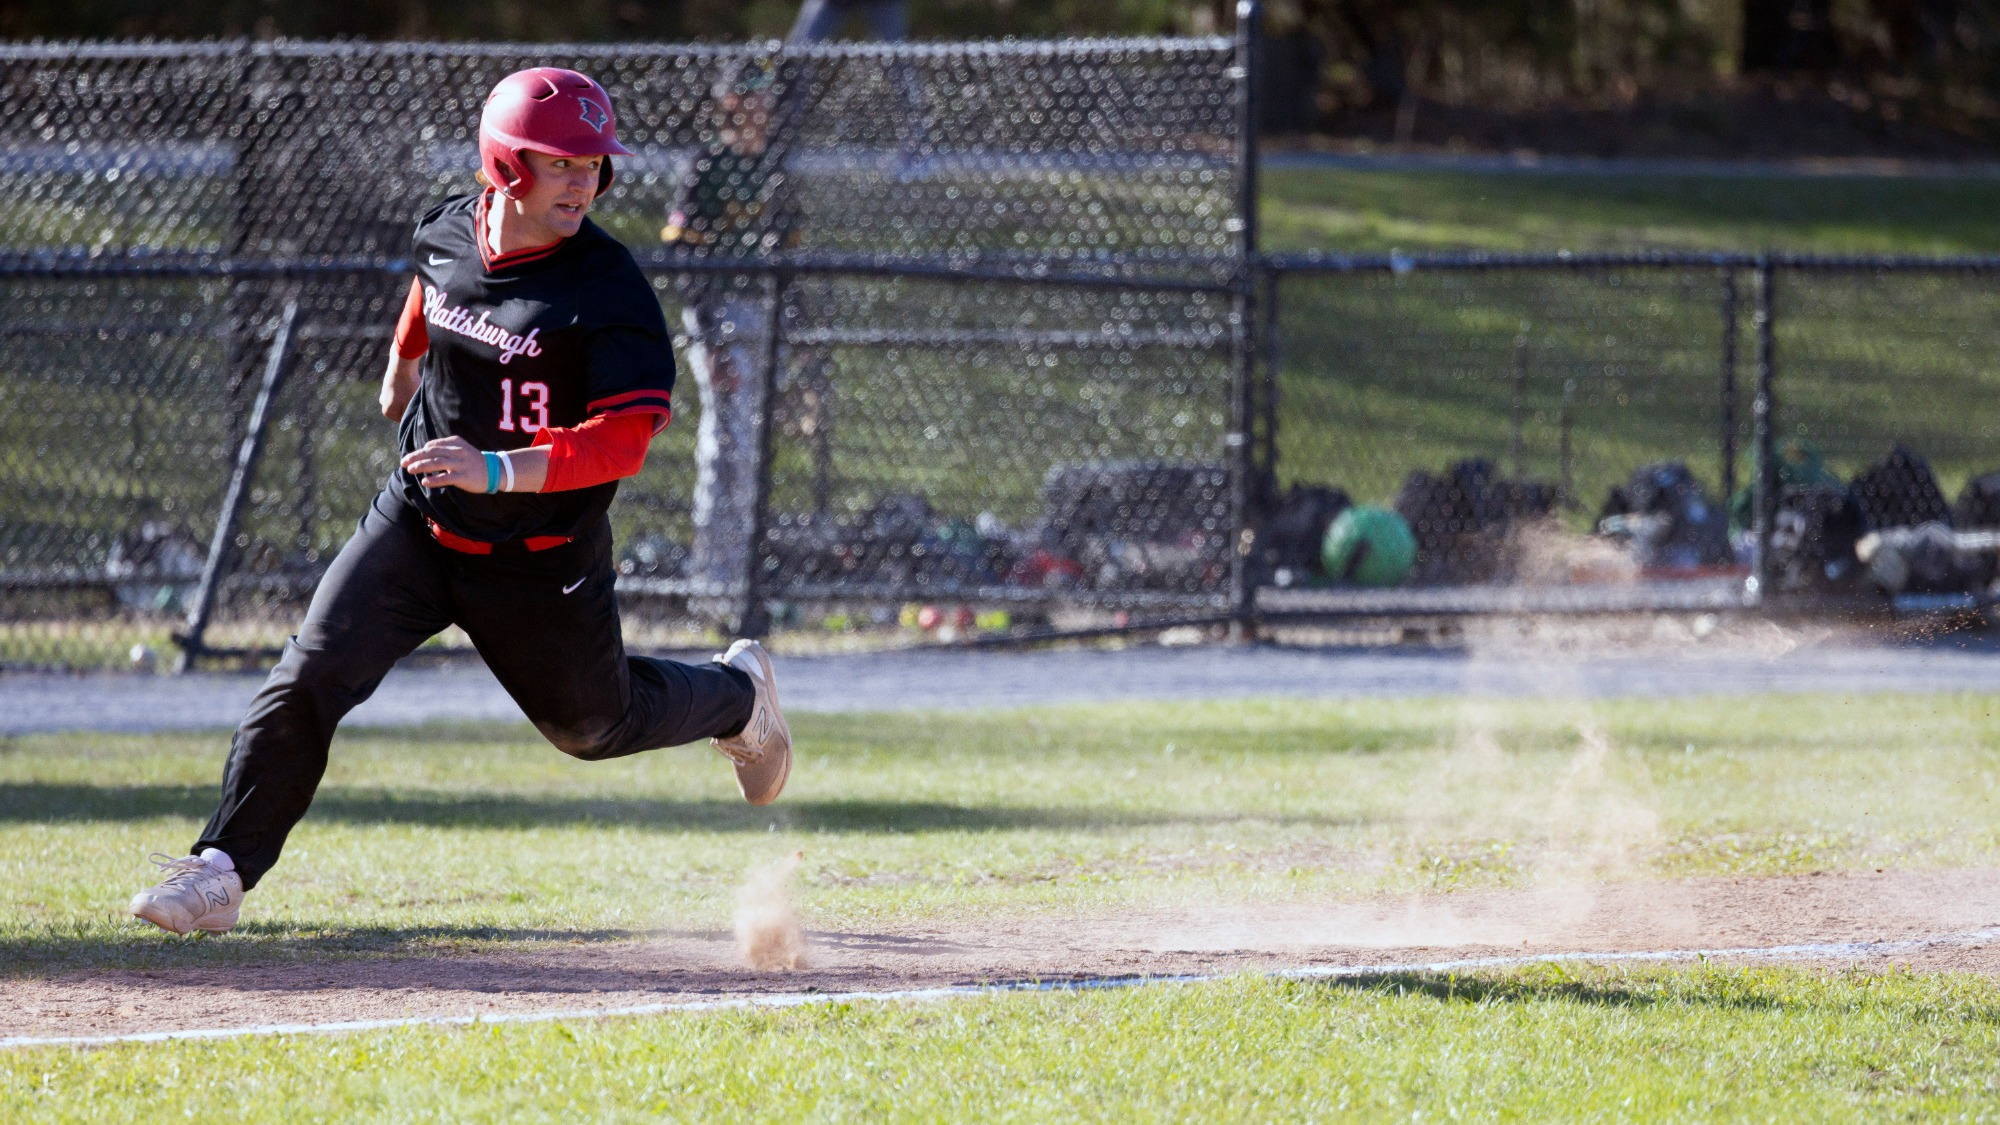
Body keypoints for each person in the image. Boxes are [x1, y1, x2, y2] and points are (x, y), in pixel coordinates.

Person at [128, 68, 794, 937]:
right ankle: (219, 869)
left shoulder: (607, 286)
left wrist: (500, 467)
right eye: (562, 163)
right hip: (420, 520)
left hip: (539, 555)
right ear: (506, 166)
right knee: (309, 675)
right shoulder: (451, 225)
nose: (585, 180)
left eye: (595, 163)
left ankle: (739, 697)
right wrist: (402, 361)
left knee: (594, 727)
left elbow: (625, 437)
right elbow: (433, 290)